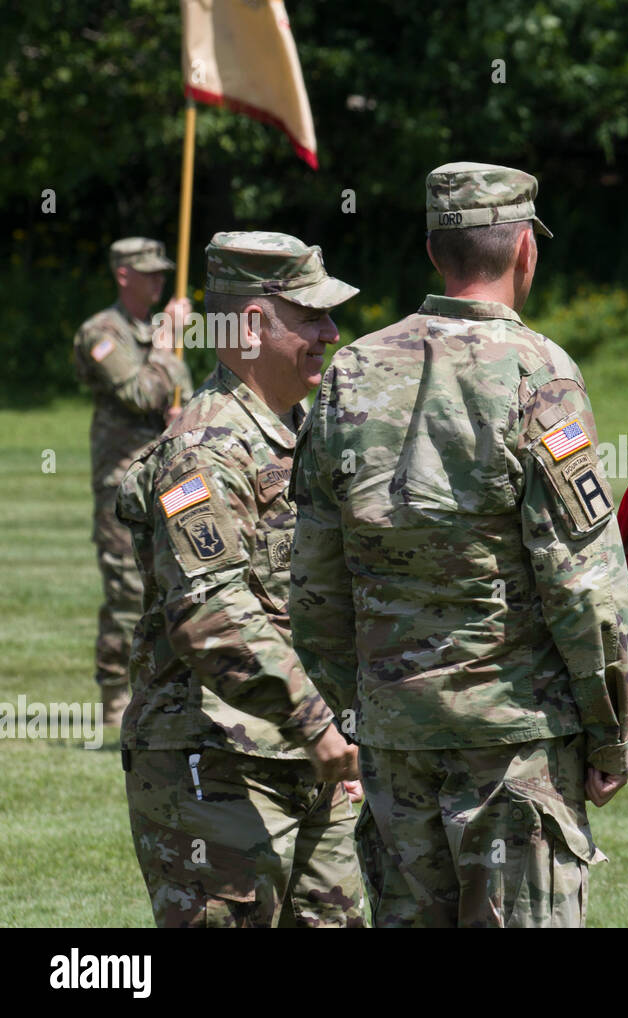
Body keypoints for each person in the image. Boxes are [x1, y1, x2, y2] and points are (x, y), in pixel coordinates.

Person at [289, 162, 628, 928]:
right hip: (513, 744)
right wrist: (610, 733)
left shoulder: (349, 370)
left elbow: (311, 582)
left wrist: (360, 704)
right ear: (525, 251)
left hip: (394, 740)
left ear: (431, 249)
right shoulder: (539, 371)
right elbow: (585, 582)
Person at [116, 231, 368, 927]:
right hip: (215, 764)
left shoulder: (305, 431)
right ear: (254, 324)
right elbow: (211, 612)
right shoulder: (203, 449)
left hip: (311, 762)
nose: (332, 331)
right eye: (312, 316)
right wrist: (319, 725)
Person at [73, 237, 194, 724]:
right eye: (149, 272)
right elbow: (141, 393)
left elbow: (172, 399)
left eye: (163, 272)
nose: (160, 280)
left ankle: (162, 692)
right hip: (122, 479)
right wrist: (165, 350)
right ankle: (114, 701)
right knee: (126, 588)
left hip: (167, 471)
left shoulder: (155, 333)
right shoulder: (101, 333)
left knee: (174, 582)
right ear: (123, 274)